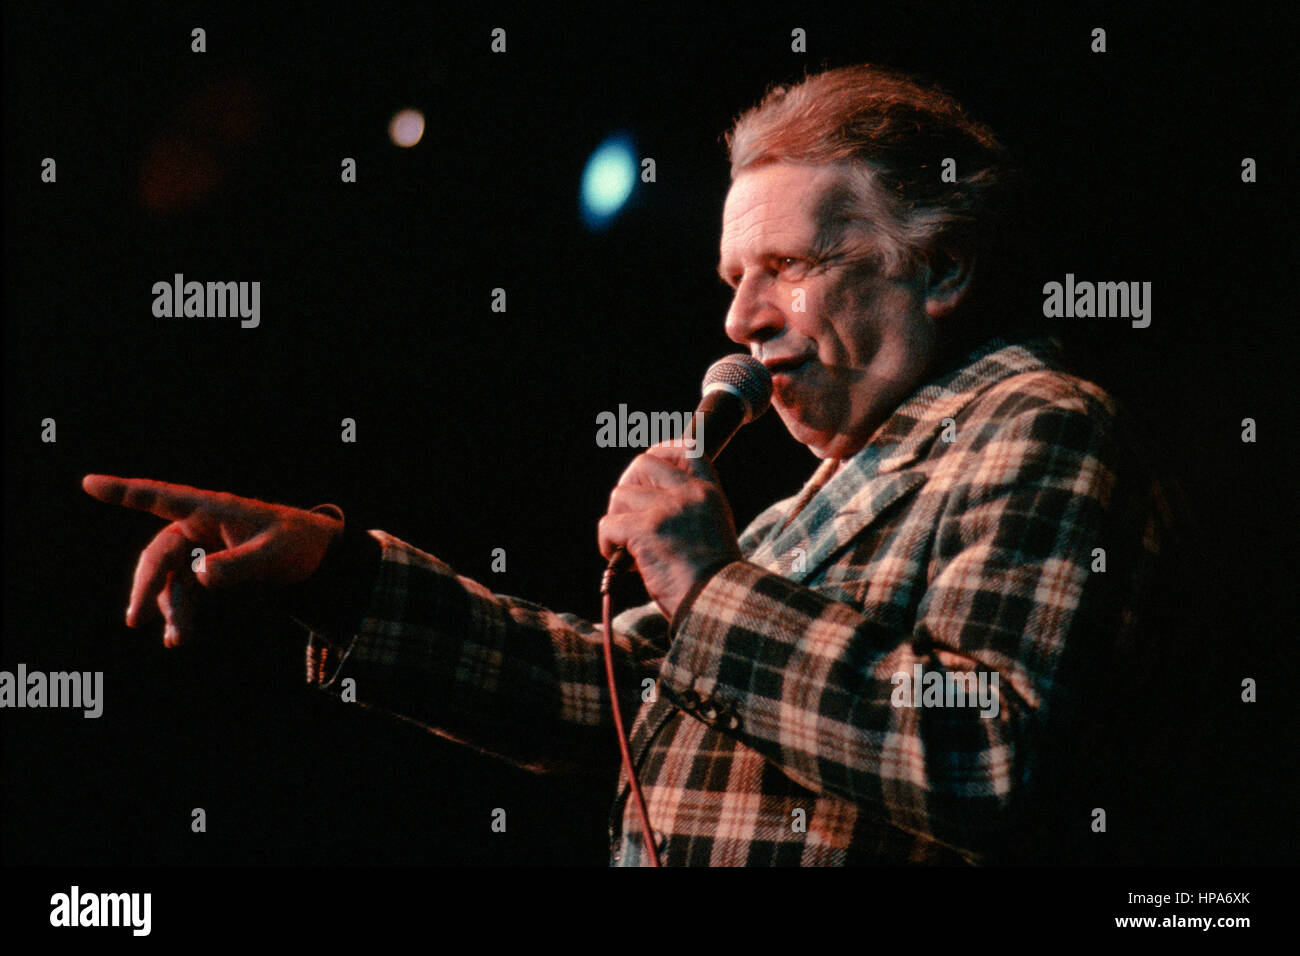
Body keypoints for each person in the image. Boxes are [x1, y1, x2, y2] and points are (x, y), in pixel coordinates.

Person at [82, 64, 1175, 865]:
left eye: (786, 265)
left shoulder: (1035, 422)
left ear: (937, 265)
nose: (741, 318)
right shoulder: (816, 503)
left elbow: (986, 759)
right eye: (732, 277)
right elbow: (591, 688)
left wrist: (707, 581)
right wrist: (335, 572)